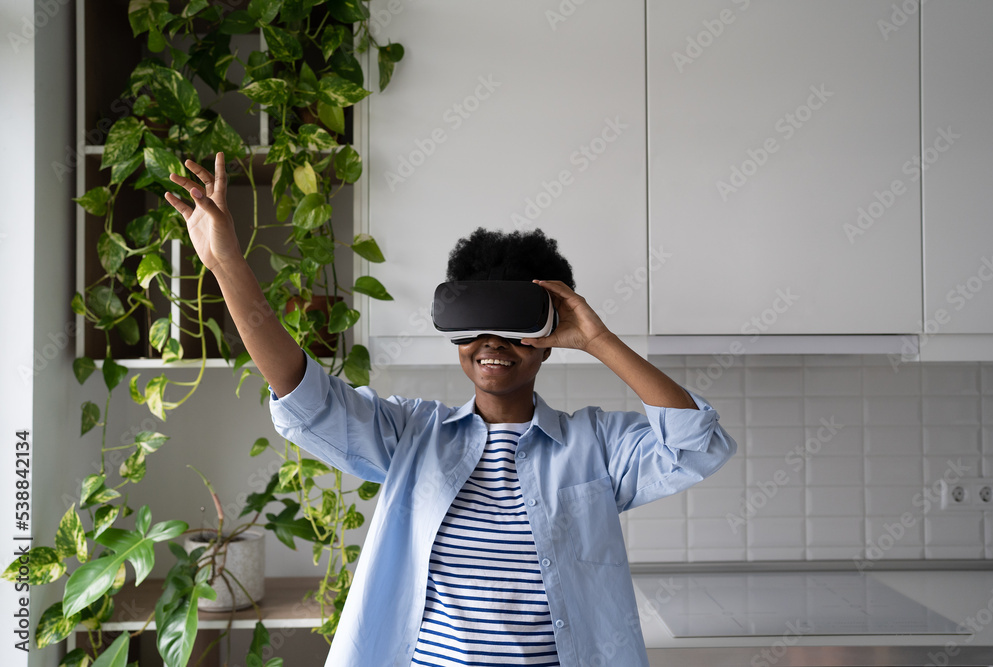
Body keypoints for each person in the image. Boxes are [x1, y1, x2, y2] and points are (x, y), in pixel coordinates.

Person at [165, 152, 738, 667]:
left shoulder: (597, 445)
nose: (493, 343)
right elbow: (300, 391)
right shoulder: (412, 435)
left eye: (516, 328)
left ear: (547, 337)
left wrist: (597, 338)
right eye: (476, 326)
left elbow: (695, 444)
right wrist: (226, 265)